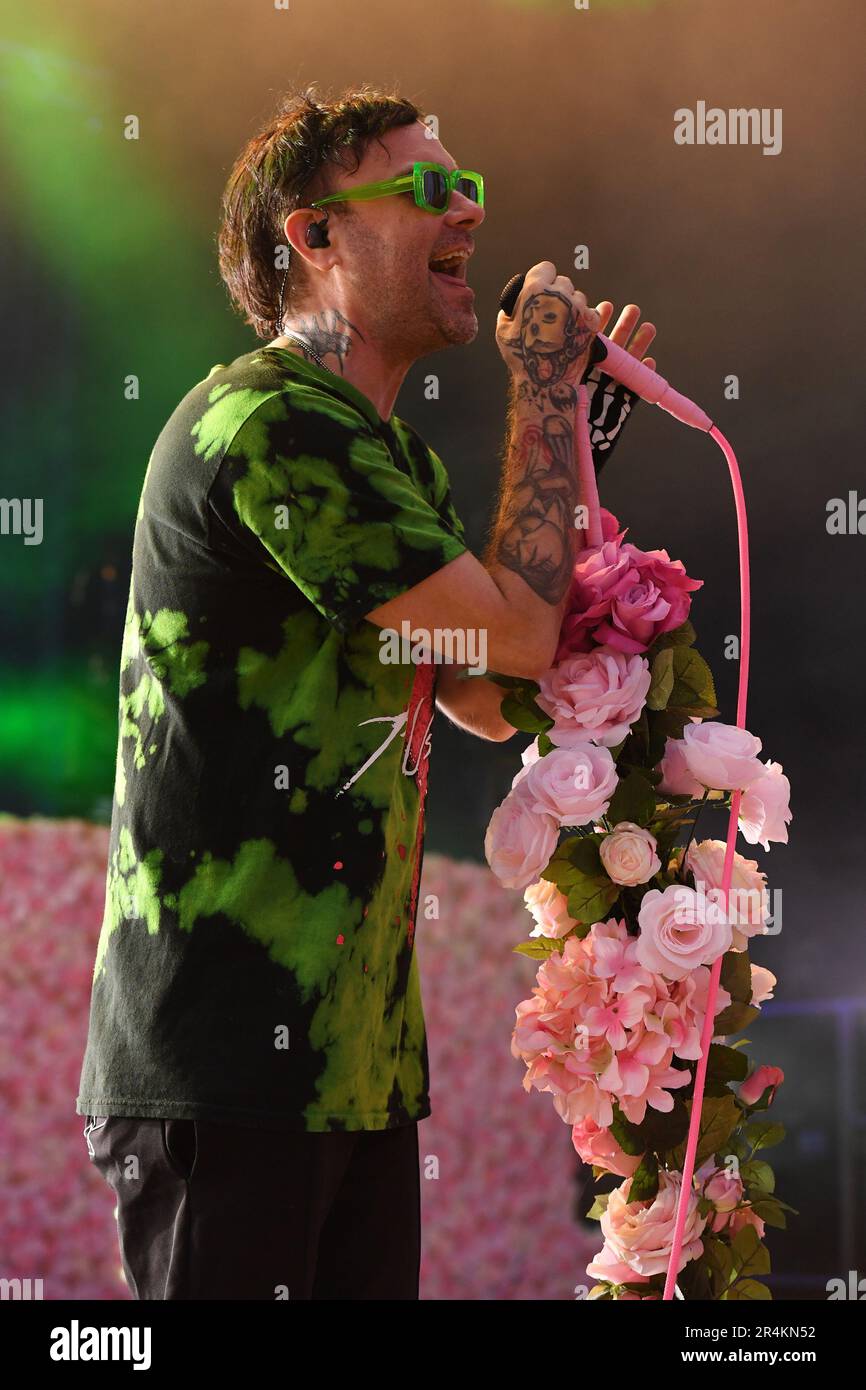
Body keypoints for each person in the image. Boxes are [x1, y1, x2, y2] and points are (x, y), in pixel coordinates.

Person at [77, 84, 657, 1300]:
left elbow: (489, 695)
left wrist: (572, 448)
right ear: (316, 235)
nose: (469, 215)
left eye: (470, 189)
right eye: (430, 187)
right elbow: (512, 639)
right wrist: (543, 398)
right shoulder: (270, 419)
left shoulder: (387, 458)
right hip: (228, 1064)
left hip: (354, 1065)